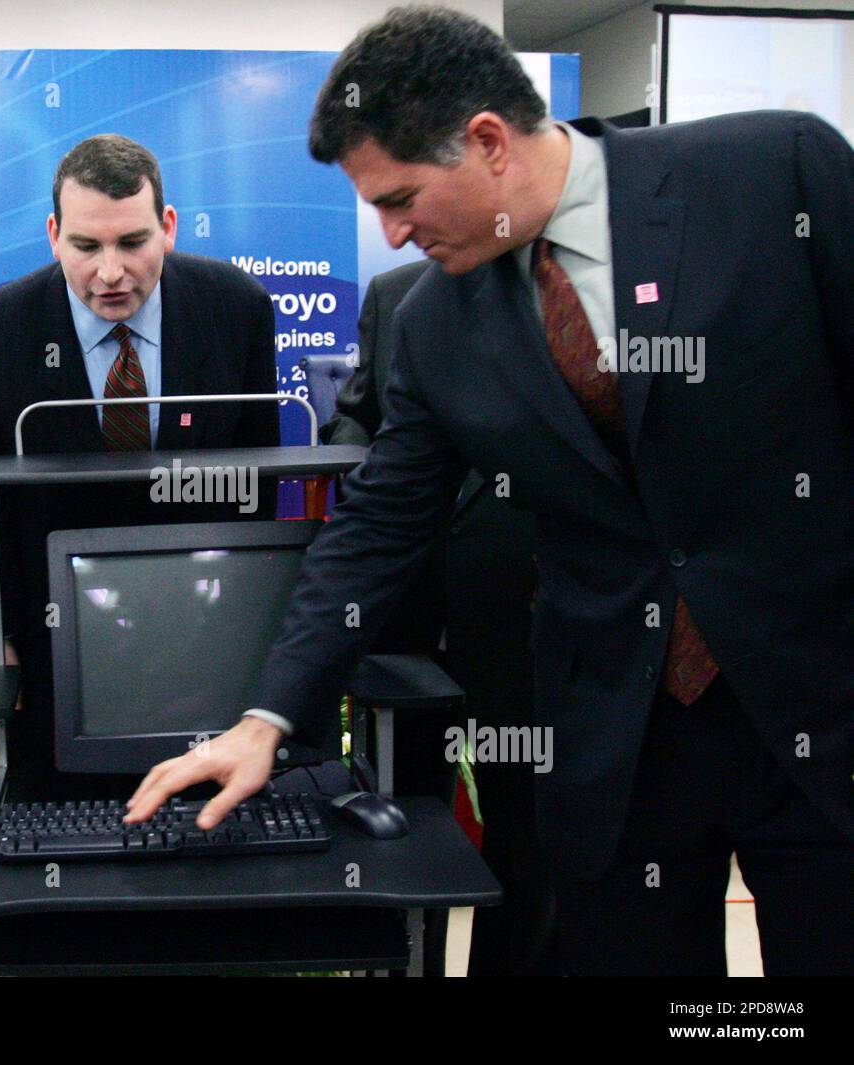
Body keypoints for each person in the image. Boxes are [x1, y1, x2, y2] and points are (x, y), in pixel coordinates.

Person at [129, 6, 854, 977]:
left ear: (486, 142)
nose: (388, 231)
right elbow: (380, 524)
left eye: (399, 198)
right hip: (619, 743)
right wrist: (266, 719)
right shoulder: (433, 325)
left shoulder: (776, 175)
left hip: (820, 700)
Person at [0, 134, 279, 798]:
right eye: (85, 246)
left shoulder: (236, 309)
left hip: (203, 626)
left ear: (168, 227)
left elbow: (259, 479)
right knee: (59, 819)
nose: (109, 272)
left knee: (214, 834)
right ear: (52, 234)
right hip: (54, 633)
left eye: (132, 243)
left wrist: (251, 623)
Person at [329, 257, 558, 976]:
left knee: (526, 834)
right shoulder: (397, 294)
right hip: (407, 624)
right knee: (401, 828)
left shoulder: (565, 293)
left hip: (522, 621)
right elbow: (357, 414)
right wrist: (351, 461)